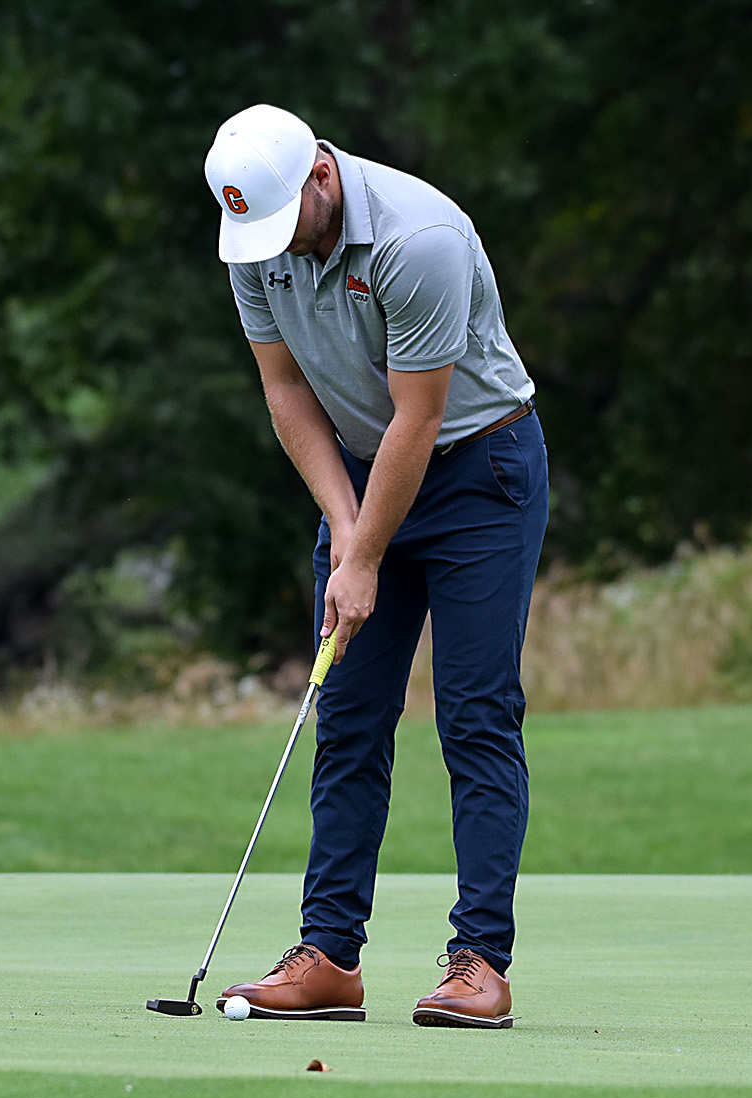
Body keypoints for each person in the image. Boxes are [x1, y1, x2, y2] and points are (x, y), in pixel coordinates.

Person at [202, 104, 547, 1029]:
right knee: (348, 716)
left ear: (321, 174)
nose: (280, 251)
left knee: (475, 714)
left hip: (480, 469)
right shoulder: (254, 241)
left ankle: (480, 963)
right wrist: (346, 531)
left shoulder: (418, 237)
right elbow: (284, 390)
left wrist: (362, 558)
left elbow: (421, 418)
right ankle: (330, 957)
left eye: (291, 229)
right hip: (364, 468)